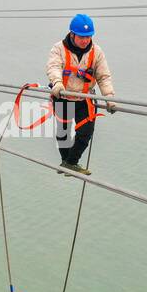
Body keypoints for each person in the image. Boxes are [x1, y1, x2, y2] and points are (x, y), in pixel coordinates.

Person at [46, 13, 117, 175]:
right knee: (63, 133)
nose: (85, 40)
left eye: (88, 36)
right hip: (62, 96)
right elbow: (53, 67)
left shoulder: (96, 52)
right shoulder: (59, 49)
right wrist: (57, 82)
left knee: (85, 133)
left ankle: (71, 163)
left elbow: (103, 76)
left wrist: (109, 98)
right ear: (72, 34)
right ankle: (66, 162)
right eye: (81, 37)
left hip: (85, 99)